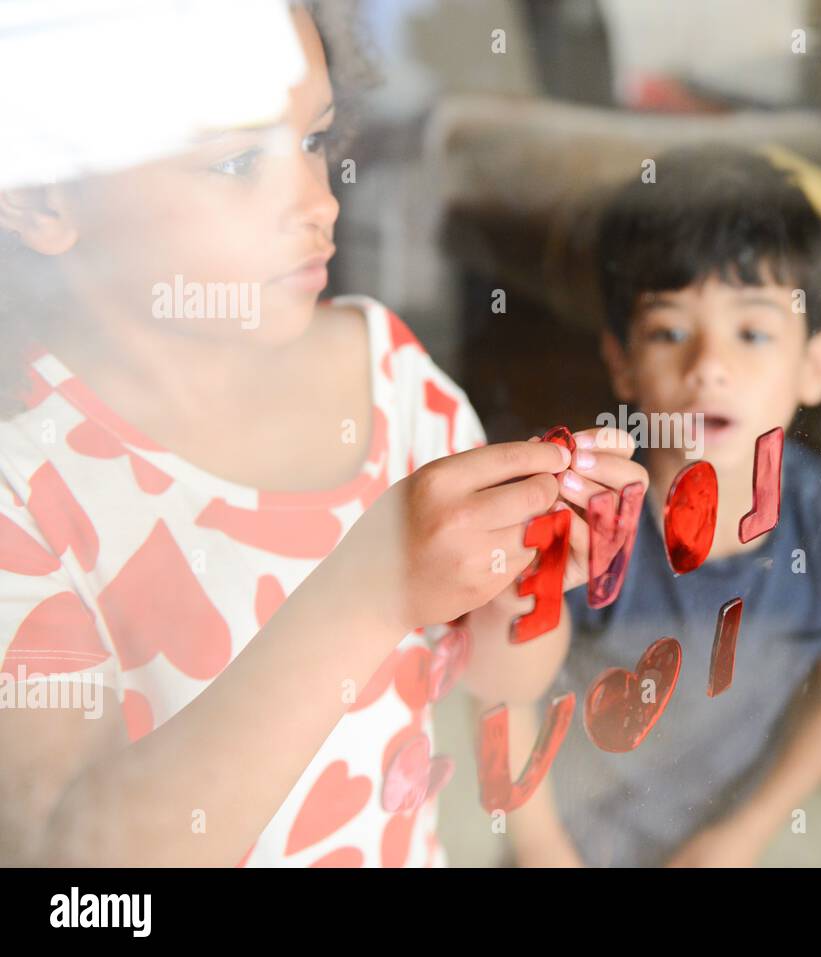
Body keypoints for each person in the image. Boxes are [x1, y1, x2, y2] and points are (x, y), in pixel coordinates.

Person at [0, 0, 645, 867]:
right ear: (40, 194)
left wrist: (527, 584)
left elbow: (502, 682)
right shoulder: (25, 490)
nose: (318, 201)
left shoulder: (392, 372)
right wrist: (368, 588)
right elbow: (70, 876)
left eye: (313, 140)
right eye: (234, 160)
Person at [509, 146, 821, 867]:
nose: (708, 365)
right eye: (670, 332)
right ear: (622, 363)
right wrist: (543, 850)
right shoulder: (585, 519)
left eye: (753, 332)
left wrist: (748, 830)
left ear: (815, 365)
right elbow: (505, 697)